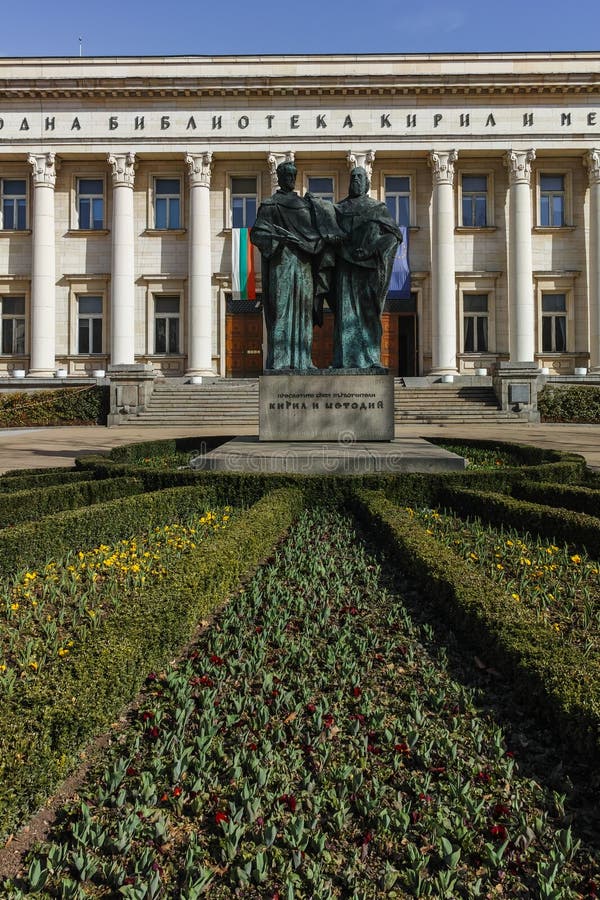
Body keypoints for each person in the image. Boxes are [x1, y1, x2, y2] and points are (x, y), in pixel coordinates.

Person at [250, 161, 340, 370]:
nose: (289, 179)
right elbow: (258, 233)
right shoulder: (270, 205)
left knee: (304, 311)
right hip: (281, 263)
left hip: (305, 265)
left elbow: (317, 235)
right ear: (279, 178)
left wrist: (317, 244)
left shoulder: (305, 206)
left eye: (293, 175)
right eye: (286, 175)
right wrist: (279, 240)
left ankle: (303, 360)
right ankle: (281, 360)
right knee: (281, 310)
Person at [331, 166, 402, 369]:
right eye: (353, 177)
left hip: (369, 269)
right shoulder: (339, 209)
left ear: (367, 184)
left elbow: (394, 235)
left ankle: (371, 358)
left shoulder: (377, 208)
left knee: (369, 313)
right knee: (345, 314)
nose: (355, 180)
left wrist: (372, 249)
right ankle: (343, 360)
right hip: (345, 268)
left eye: (360, 177)